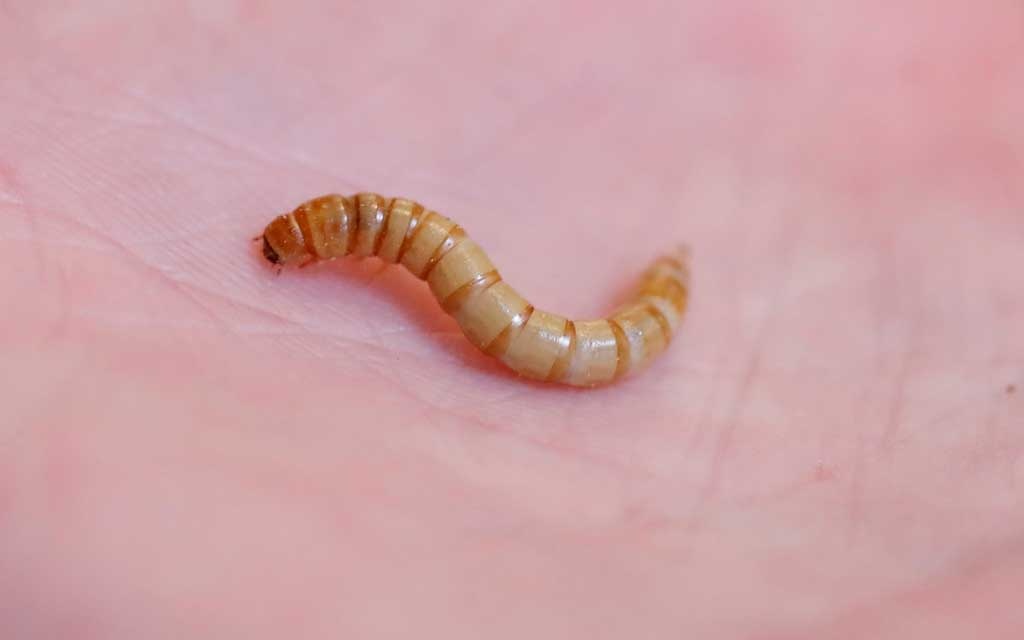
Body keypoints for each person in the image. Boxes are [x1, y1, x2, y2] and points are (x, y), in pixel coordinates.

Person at [1, 2, 1021, 637]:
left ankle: (670, 279)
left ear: (335, 240)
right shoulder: (384, 241)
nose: (294, 246)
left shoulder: (393, 241)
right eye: (295, 241)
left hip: (611, 338)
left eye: (298, 240)